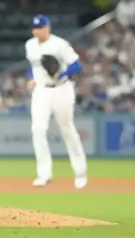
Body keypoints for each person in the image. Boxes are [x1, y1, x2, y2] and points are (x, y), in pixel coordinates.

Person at [25, 15, 88, 189]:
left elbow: (77, 65)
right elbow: (34, 66)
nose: (37, 31)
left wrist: (61, 74)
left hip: (62, 89)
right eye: (35, 28)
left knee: (67, 130)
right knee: (37, 129)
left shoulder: (59, 44)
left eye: (40, 28)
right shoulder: (30, 45)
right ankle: (43, 174)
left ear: (48, 28)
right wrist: (31, 78)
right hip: (41, 91)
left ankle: (80, 172)